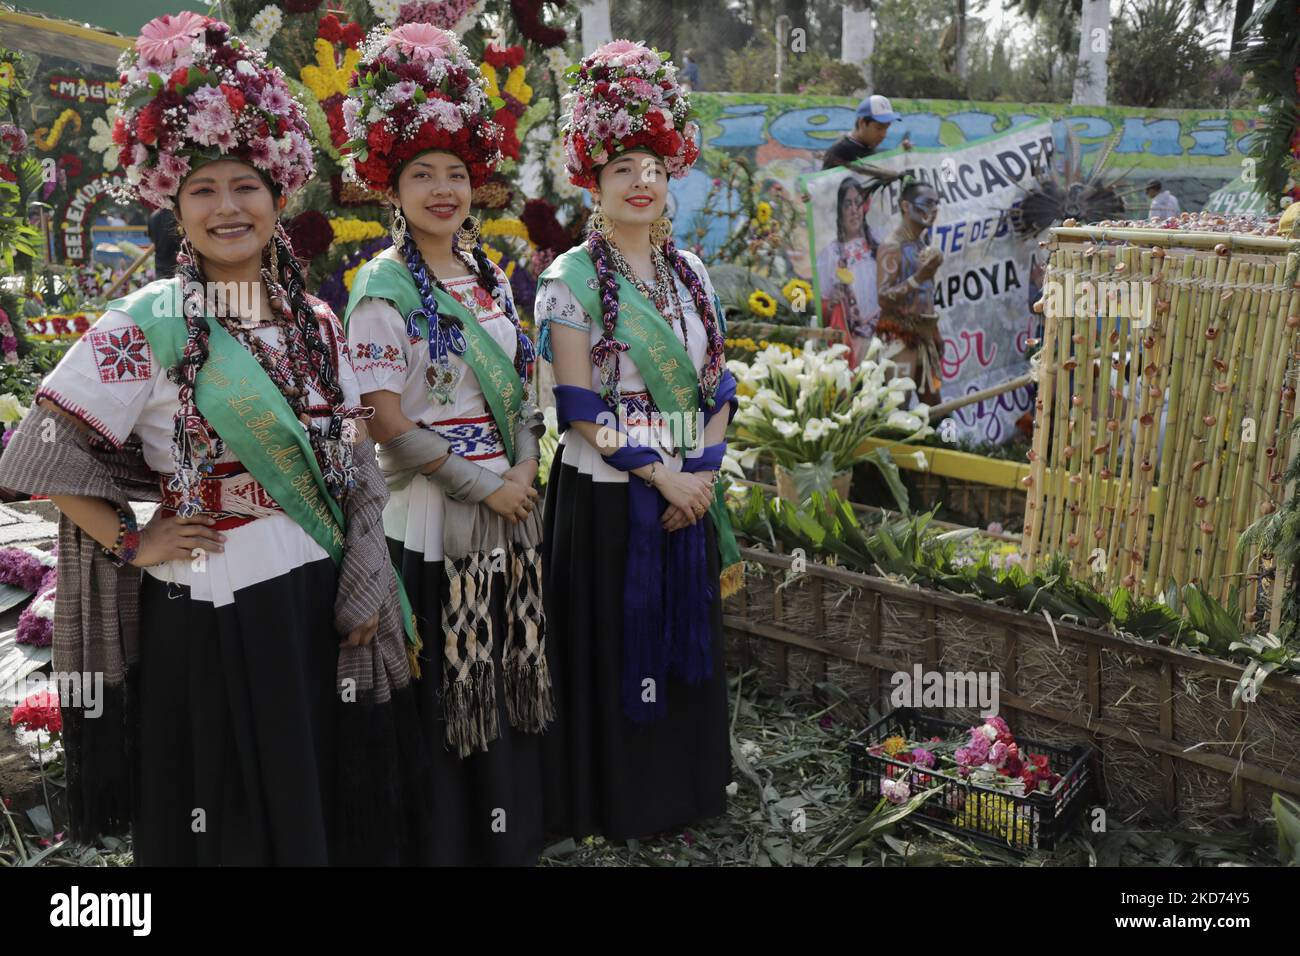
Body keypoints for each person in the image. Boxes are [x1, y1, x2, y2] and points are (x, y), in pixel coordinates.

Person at [0, 14, 431, 866]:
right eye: (203, 190)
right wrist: (131, 538)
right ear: (174, 203)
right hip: (209, 596)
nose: (228, 208)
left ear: (281, 197)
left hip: (315, 587)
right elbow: (40, 453)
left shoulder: (313, 319)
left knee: (308, 779)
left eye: (246, 187)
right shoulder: (148, 320)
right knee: (219, 796)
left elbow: (349, 463)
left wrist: (367, 569)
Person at [341, 21, 552, 866]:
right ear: (390, 189)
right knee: (449, 679)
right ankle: (448, 842)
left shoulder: (493, 272)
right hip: (434, 511)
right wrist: (482, 484)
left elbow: (526, 382)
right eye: (421, 173)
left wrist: (528, 465)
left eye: (456, 173)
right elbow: (385, 418)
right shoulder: (378, 287)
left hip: (514, 496)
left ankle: (512, 831)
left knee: (509, 664)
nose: (442, 189)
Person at [536, 39, 742, 842]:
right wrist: (663, 475)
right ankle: (613, 804)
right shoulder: (568, 280)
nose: (642, 180)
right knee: (615, 645)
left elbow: (718, 385)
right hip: (609, 495)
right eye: (622, 165)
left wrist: (703, 475)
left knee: (684, 641)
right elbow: (580, 403)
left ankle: (684, 793)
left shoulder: (691, 273)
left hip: (686, 491)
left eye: (654, 163)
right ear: (592, 180)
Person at [877, 177, 944, 405]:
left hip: (925, 339)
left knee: (934, 408)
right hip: (900, 338)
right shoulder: (892, 246)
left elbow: (926, 296)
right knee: (896, 409)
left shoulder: (920, 246)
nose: (933, 210)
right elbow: (883, 298)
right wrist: (918, 278)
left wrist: (935, 333)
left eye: (936, 204)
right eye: (927, 203)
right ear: (906, 206)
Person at [817, 176, 880, 366]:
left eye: (858, 203)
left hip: (885, 335)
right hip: (854, 344)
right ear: (840, 212)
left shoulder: (878, 242)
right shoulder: (830, 254)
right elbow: (819, 305)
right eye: (847, 205)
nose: (854, 210)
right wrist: (831, 303)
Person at [822, 93, 900, 170]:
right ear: (862, 123)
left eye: (886, 128)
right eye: (879, 128)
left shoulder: (869, 149)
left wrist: (904, 153)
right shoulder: (840, 152)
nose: (883, 135)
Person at [147, 207, 180, 279]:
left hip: (160, 265)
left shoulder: (153, 216)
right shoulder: (177, 216)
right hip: (178, 264)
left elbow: (152, 239)